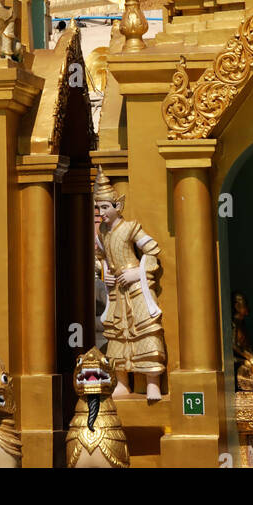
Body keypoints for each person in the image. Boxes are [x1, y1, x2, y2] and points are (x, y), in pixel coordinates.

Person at [94, 170, 166, 401]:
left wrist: (137, 273)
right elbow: (100, 259)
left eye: (105, 207)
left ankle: (152, 383)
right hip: (117, 291)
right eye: (99, 208)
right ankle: (123, 382)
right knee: (117, 336)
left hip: (136, 289)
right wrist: (105, 274)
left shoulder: (131, 228)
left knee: (145, 330)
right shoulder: (102, 233)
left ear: (118, 205)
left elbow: (152, 250)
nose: (101, 212)